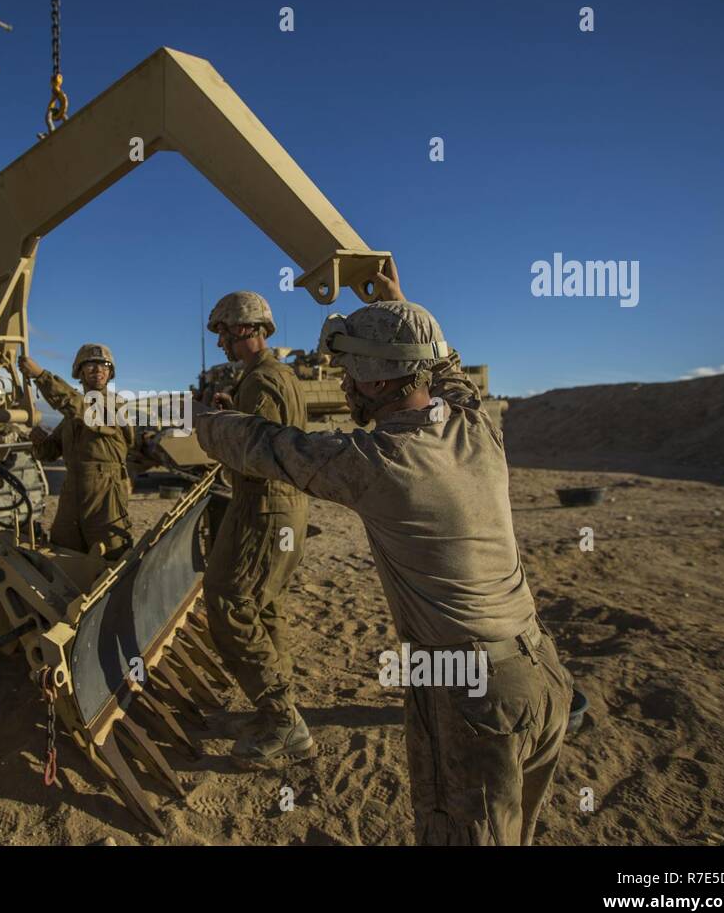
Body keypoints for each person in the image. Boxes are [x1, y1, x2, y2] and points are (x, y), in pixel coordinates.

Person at [194, 259, 574, 844]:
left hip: (470, 692)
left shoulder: (379, 463)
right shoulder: (477, 430)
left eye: (349, 372)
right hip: (539, 672)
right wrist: (401, 303)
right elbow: (448, 371)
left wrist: (206, 420)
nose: (342, 383)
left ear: (375, 379)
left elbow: (268, 446)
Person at [202, 291, 312, 768]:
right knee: (264, 605)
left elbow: (257, 453)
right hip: (282, 507)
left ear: (247, 329)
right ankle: (275, 713)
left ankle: (282, 720)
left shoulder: (262, 381)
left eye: (225, 331)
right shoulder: (272, 377)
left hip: (262, 506)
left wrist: (211, 423)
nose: (222, 341)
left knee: (227, 601)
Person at [19, 344, 148, 560]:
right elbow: (49, 453)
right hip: (71, 493)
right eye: (91, 365)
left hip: (105, 493)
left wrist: (41, 376)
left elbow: (77, 407)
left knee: (113, 557)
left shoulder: (115, 405)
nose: (98, 370)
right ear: (80, 372)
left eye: (104, 366)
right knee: (63, 554)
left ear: (110, 373)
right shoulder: (73, 417)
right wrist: (37, 437)